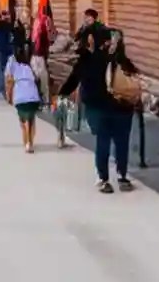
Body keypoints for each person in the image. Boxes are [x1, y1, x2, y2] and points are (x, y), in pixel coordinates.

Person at [57, 28, 140, 194]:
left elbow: (73, 80)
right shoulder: (123, 61)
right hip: (123, 107)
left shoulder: (88, 60)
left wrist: (61, 95)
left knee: (103, 142)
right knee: (121, 143)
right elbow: (134, 82)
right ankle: (122, 176)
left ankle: (103, 179)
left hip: (99, 108)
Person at [4, 44, 43, 153]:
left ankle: (27, 142)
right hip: (33, 95)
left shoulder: (13, 63)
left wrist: (9, 95)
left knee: (23, 120)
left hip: (20, 96)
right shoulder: (32, 62)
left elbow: (8, 80)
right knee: (31, 119)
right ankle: (30, 142)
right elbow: (39, 77)